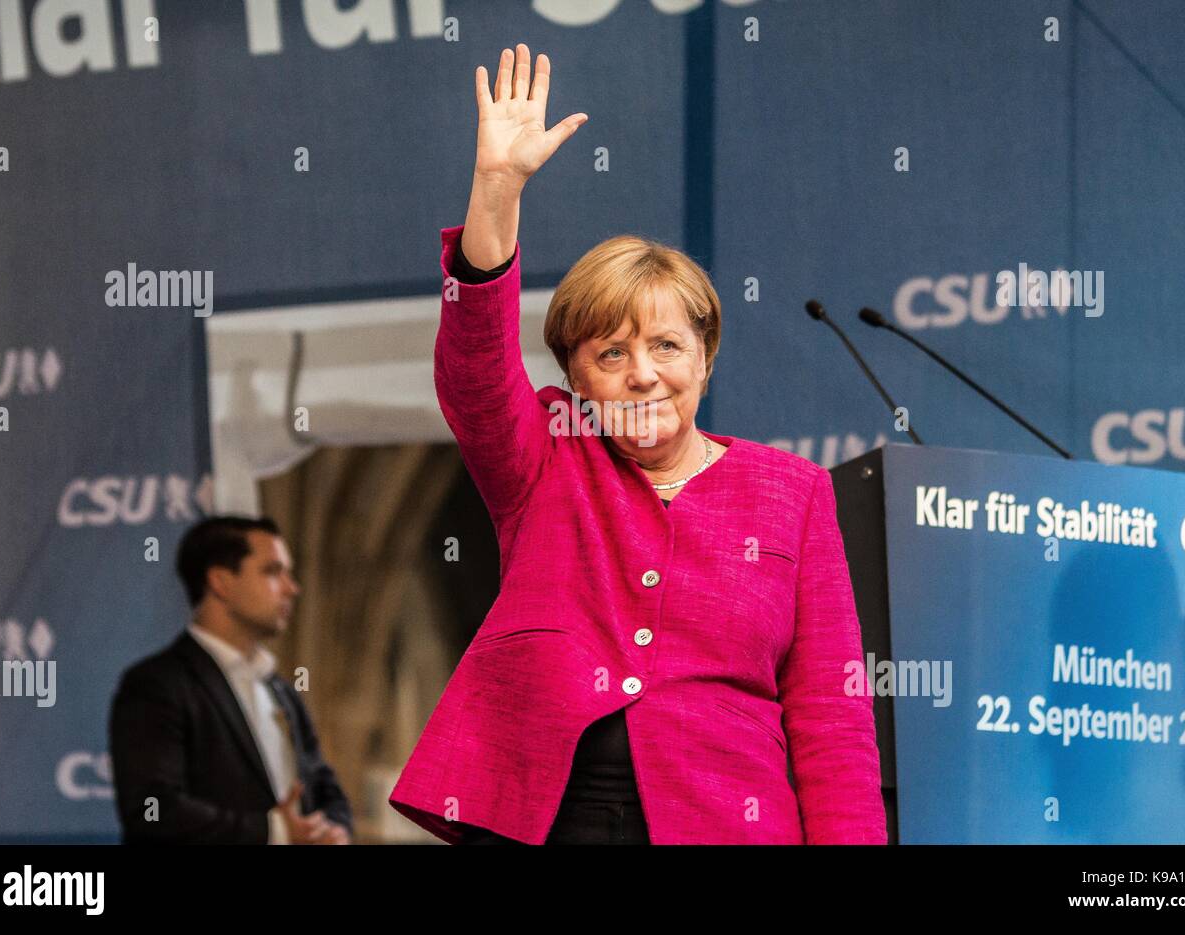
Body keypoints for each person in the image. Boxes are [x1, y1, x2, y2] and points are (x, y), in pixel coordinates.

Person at [389, 44, 885, 845]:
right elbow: (474, 369)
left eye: (666, 347)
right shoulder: (548, 450)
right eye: (611, 354)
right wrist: (497, 193)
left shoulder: (793, 492)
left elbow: (832, 713)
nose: (643, 375)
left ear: (705, 359)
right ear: (577, 379)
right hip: (546, 820)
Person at [109, 516, 352, 844]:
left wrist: (336, 831)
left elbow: (324, 786)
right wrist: (275, 832)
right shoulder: (157, 684)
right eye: (272, 571)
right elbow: (152, 811)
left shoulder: (280, 689)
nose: (292, 588)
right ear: (221, 582)